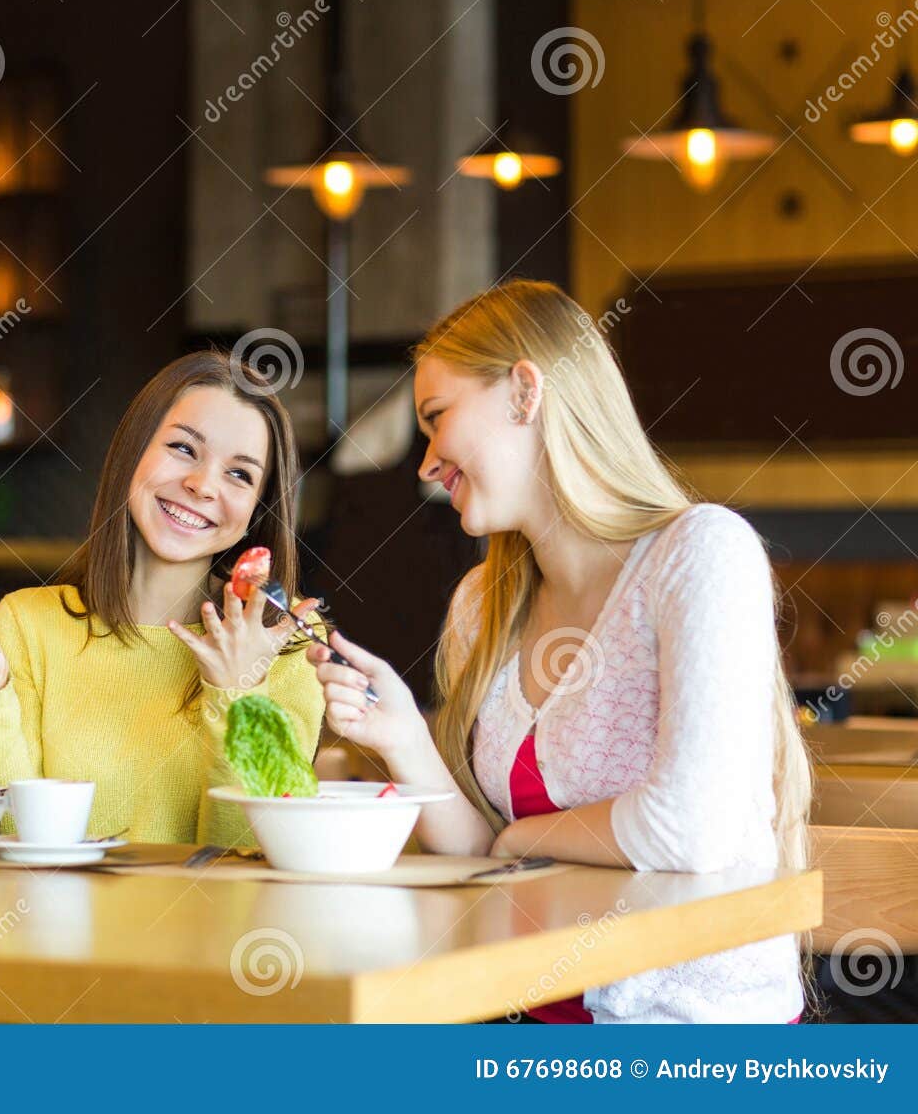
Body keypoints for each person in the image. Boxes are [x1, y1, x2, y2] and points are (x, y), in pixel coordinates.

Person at [310, 280, 812, 1024]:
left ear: (524, 391)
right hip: (522, 1019)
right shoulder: (482, 604)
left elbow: (687, 827)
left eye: (436, 418)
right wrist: (407, 740)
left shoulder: (701, 553)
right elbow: (486, 853)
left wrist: (516, 838)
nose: (426, 463)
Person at [0, 350, 323, 845]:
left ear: (257, 509)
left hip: (211, 923)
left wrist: (238, 693)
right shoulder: (27, 623)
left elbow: (243, 855)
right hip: (59, 922)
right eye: (184, 449)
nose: (202, 484)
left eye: (239, 474)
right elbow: (18, 842)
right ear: (133, 451)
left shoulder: (288, 644)